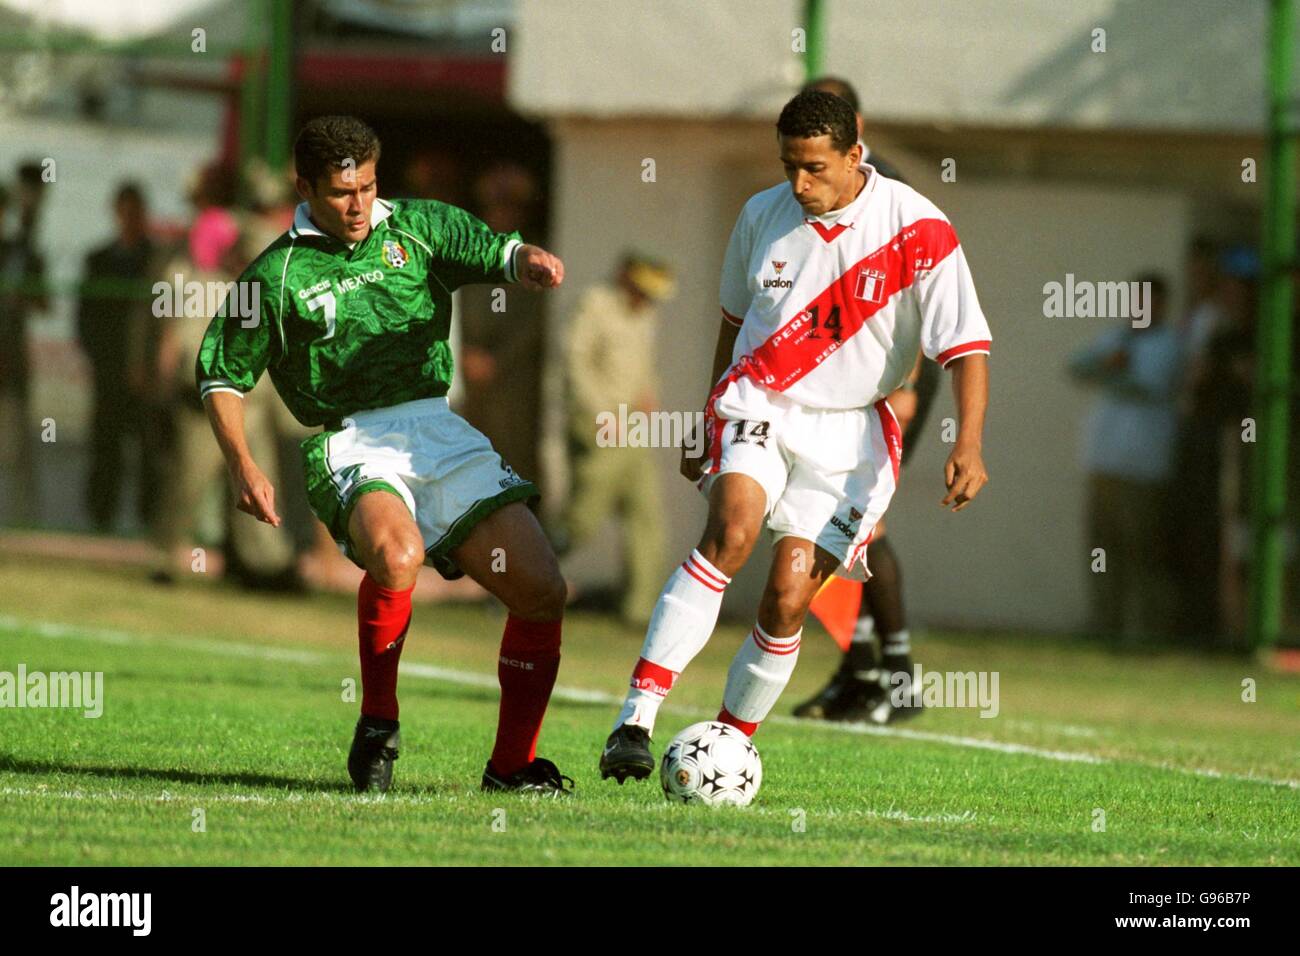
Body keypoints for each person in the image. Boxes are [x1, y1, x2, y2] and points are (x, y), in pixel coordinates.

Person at [599, 91, 992, 782]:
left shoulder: (918, 227)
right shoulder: (760, 215)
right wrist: (705, 412)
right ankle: (634, 719)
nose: (800, 184)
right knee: (733, 532)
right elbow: (731, 322)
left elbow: (966, 347)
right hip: (761, 402)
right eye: (790, 168)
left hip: (851, 433)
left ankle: (728, 743)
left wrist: (969, 444)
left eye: (814, 168)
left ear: (853, 155)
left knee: (787, 594)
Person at [196, 115, 573, 794]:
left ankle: (512, 766)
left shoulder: (420, 227)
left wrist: (528, 263)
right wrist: (244, 466)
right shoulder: (273, 275)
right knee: (397, 558)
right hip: (351, 440)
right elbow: (223, 376)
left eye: (368, 186)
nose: (358, 204)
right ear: (304, 186)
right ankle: (377, 721)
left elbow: (494, 252)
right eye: (341, 192)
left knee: (542, 588)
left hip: (436, 428)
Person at [794, 76, 943, 723]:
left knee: (861, 520)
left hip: (889, 370)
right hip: (834, 373)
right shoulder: (804, 187)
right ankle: (858, 670)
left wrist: (905, 384)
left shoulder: (883, 186)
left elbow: (912, 289)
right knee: (818, 517)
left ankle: (899, 676)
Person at [561, 253, 676, 625]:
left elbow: (644, 367)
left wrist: (649, 396)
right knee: (581, 519)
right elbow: (576, 363)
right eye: (642, 290)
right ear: (625, 276)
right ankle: (518, 582)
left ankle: (640, 611)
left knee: (647, 518)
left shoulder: (645, 313)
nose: (647, 299)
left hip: (634, 428)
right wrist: (600, 417)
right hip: (602, 427)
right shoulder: (597, 304)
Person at [1067, 274, 1181, 643]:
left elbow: (1146, 387)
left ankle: (1149, 631)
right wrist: (1108, 363)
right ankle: (1104, 624)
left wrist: (1112, 368)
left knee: (1142, 551)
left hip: (1143, 466)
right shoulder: (1116, 338)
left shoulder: (1168, 344)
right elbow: (1076, 368)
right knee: (1101, 550)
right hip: (1104, 461)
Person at [76, 183, 160, 531]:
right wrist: (101, 363)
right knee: (105, 445)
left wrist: (148, 364)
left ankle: (148, 519)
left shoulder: (156, 260)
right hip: (109, 370)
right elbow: (86, 318)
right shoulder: (97, 260)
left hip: (146, 373)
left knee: (149, 450)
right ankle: (101, 516)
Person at [0, 163, 50, 525]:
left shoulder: (21, 251)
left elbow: (42, 302)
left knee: (16, 452)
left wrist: (25, 297)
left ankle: (19, 525)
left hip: (10, 364)